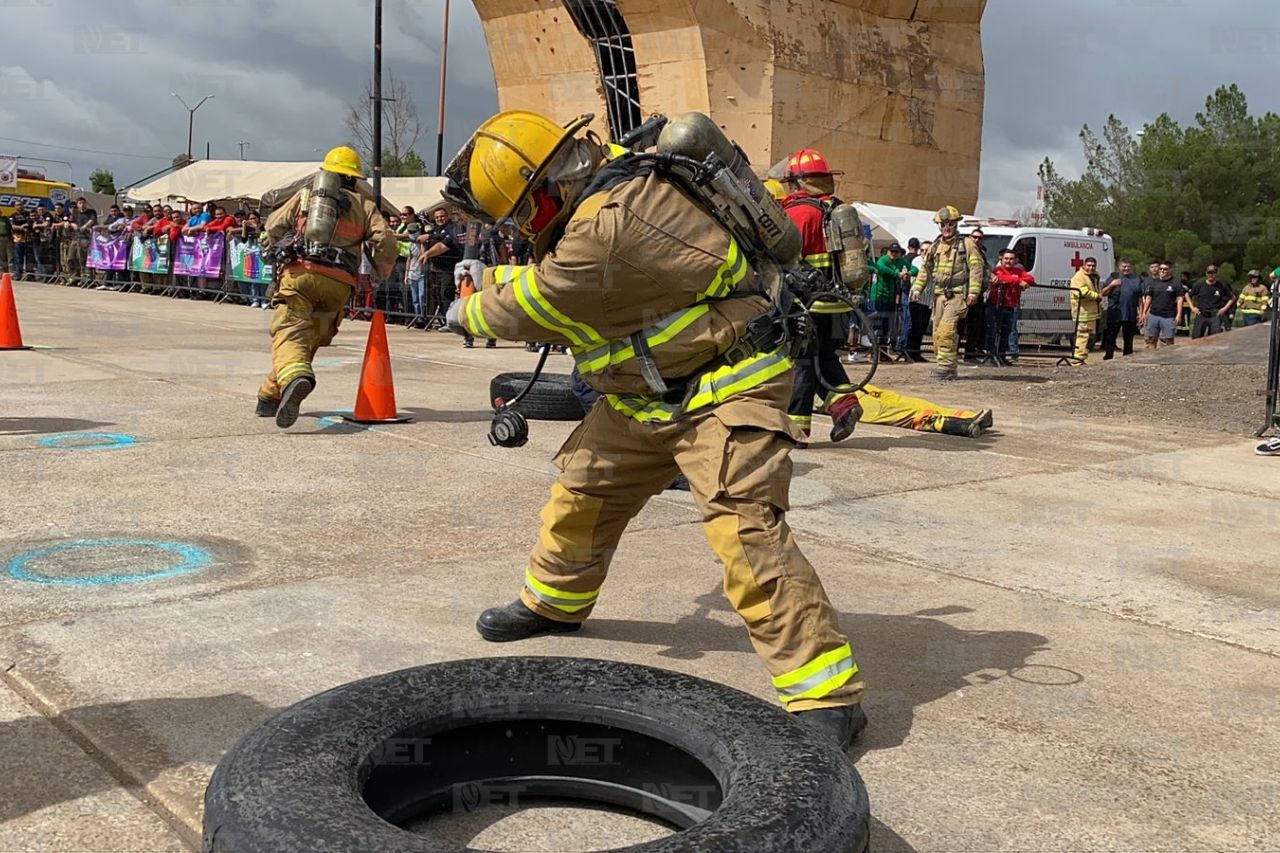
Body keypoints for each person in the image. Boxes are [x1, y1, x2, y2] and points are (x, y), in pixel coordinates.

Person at [444, 110, 867, 748]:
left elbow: (543, 303)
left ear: (544, 196)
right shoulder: (615, 184)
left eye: (522, 218)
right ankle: (555, 601)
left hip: (725, 385)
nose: (524, 232)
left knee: (744, 528)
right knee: (584, 493)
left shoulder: (604, 229)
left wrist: (466, 307)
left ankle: (825, 692)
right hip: (645, 395)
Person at [256, 146, 397, 428]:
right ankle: (270, 397)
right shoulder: (364, 205)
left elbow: (273, 226)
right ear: (355, 178)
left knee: (290, 333)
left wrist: (268, 248)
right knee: (307, 340)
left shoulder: (306, 196)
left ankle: (295, 379)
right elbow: (386, 241)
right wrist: (382, 270)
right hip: (340, 283)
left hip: (301, 274)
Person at [778, 148, 864, 446]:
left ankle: (796, 429)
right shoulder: (833, 209)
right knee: (824, 357)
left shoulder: (797, 214)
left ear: (798, 182)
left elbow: (783, 260)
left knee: (801, 362)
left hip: (806, 305)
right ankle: (845, 405)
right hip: (837, 303)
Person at [910, 206, 984, 379]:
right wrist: (917, 288)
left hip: (957, 295)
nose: (947, 227)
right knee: (937, 332)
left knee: (946, 330)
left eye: (950, 224)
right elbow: (925, 270)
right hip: (939, 295)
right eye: (943, 224)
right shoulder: (935, 246)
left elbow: (976, 269)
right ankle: (947, 366)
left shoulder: (967, 244)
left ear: (956, 224)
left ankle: (946, 367)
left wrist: (973, 292)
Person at [986, 248, 1034, 365]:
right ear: (1001, 259)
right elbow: (1002, 279)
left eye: (1011, 259)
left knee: (1006, 333)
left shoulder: (1018, 271)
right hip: (996, 305)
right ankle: (991, 355)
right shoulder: (996, 270)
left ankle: (1002, 356)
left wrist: (1023, 281)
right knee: (994, 331)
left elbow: (1030, 279)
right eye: (1006, 258)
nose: (1008, 261)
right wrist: (1018, 281)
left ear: (1015, 260)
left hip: (1010, 306)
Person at [1100, 259, 1142, 358]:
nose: (1126, 269)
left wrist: (1140, 312)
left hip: (1130, 313)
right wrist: (1112, 285)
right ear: (1119, 267)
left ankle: (1127, 356)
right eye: (1124, 267)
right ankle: (1108, 356)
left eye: (1128, 266)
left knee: (1128, 338)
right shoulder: (1113, 277)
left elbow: (1140, 297)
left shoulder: (1136, 279)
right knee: (1111, 336)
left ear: (1131, 267)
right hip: (1115, 313)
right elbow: (1103, 293)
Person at [1139, 261, 1184, 349]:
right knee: (1151, 340)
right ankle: (1152, 359)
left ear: (1170, 270)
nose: (1162, 271)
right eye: (1160, 269)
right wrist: (1144, 313)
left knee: (1169, 341)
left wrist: (1179, 314)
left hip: (1169, 316)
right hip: (1154, 315)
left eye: (1165, 269)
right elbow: (1148, 298)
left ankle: (1168, 360)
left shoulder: (1176, 282)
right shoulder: (1153, 282)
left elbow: (1180, 299)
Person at [1186, 265, 1234, 339]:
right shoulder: (1199, 285)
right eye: (1209, 273)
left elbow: (1232, 298)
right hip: (1201, 314)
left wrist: (1224, 309)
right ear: (1206, 274)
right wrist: (1192, 308)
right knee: (1196, 338)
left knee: (1214, 338)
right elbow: (1187, 295)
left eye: (1213, 273)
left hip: (1215, 314)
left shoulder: (1221, 285)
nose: (1211, 275)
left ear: (1216, 274)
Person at [1068, 257, 1101, 362]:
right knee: (1082, 335)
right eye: (1089, 265)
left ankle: (1082, 357)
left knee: (1088, 336)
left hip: (1090, 312)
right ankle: (1077, 358)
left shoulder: (1093, 277)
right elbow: (1081, 292)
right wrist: (1096, 296)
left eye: (1093, 266)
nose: (1091, 268)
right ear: (1084, 265)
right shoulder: (1079, 277)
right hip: (1082, 312)